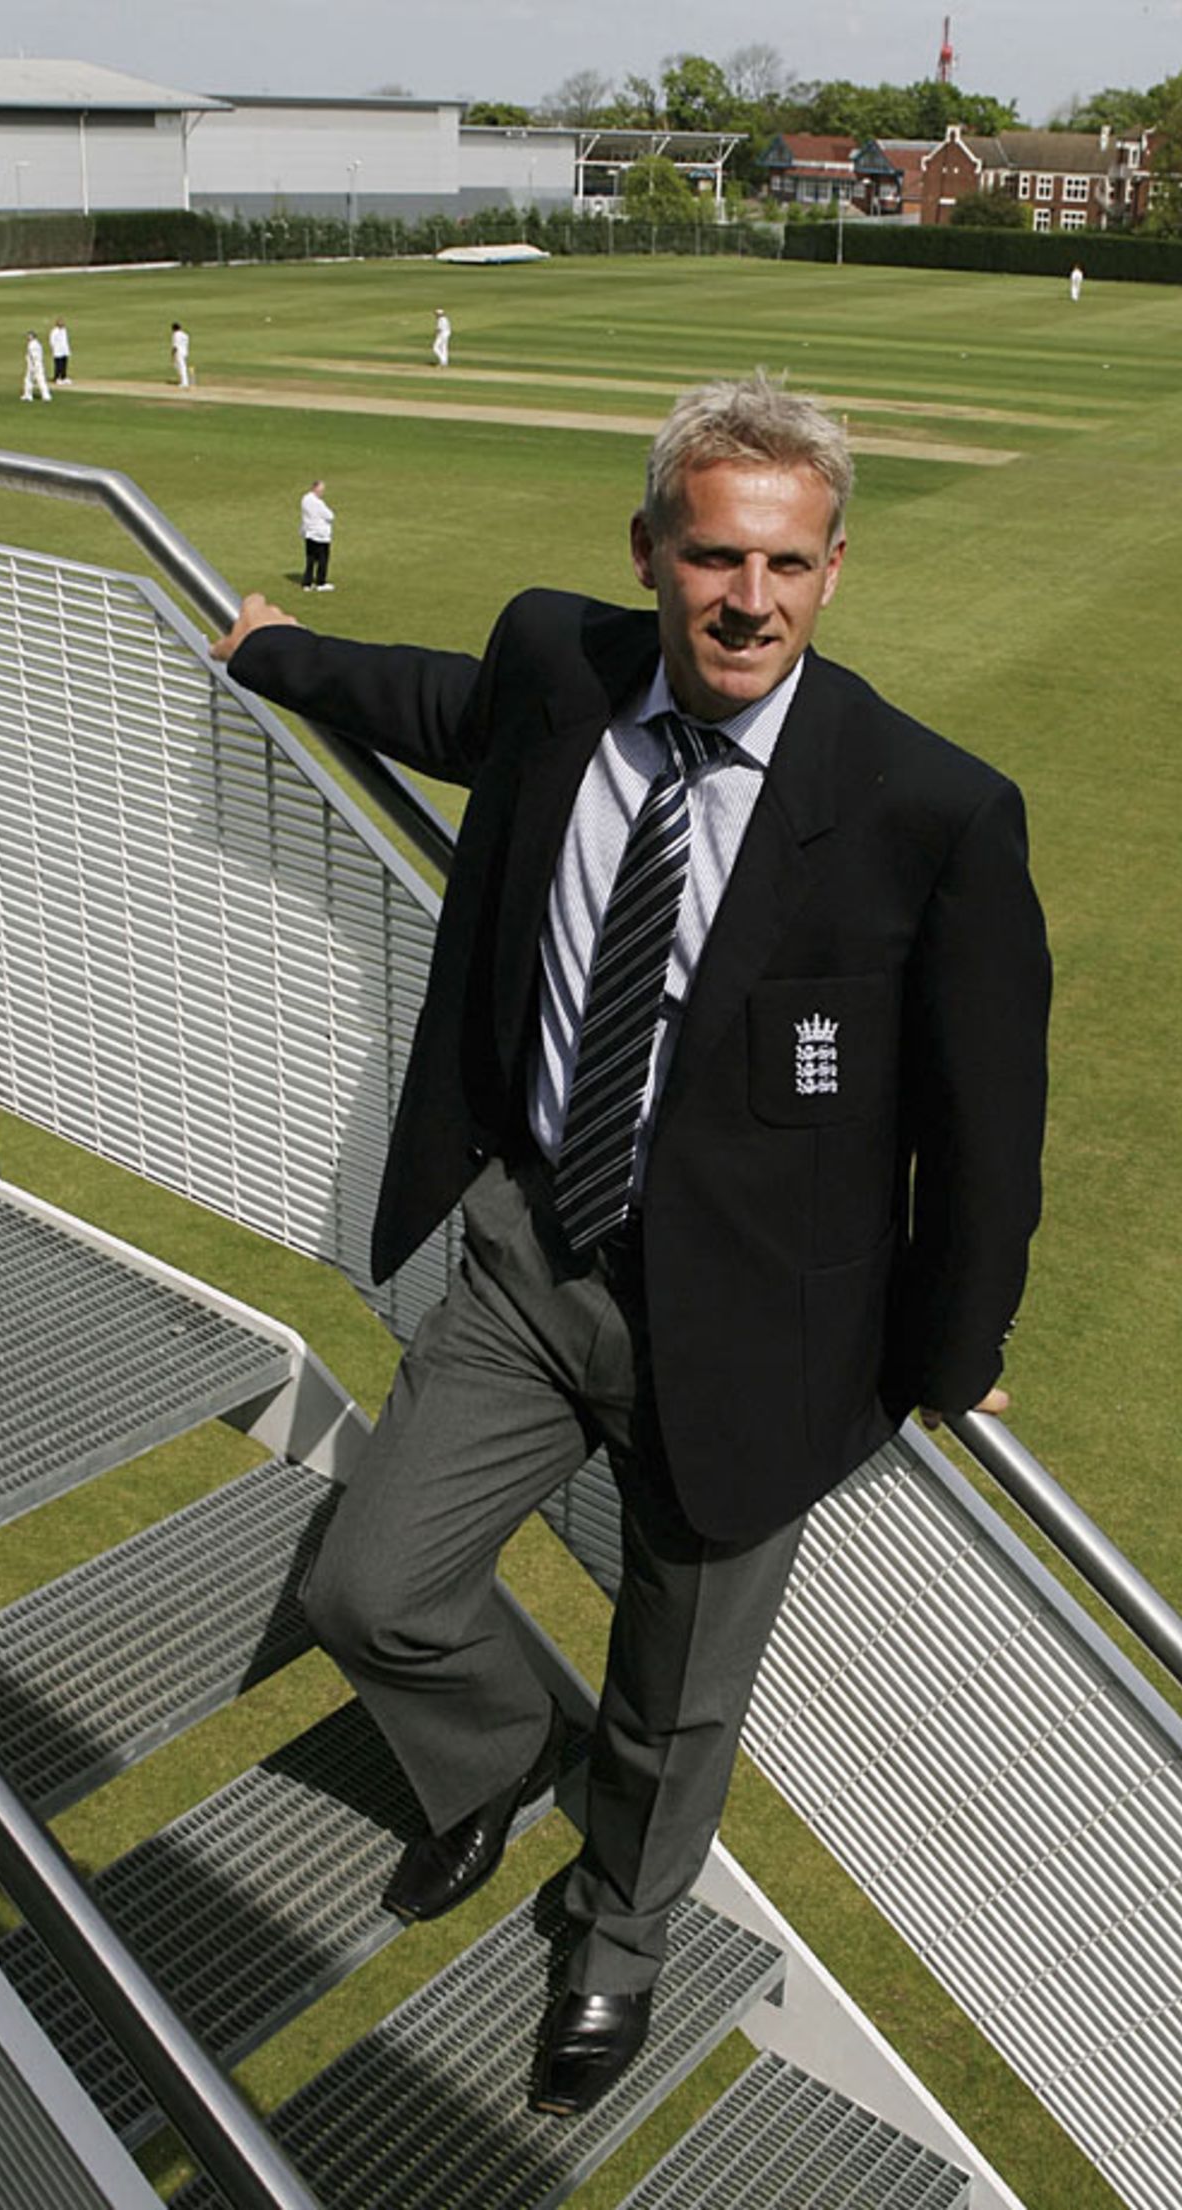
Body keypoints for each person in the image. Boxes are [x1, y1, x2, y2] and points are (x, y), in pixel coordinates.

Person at [211, 375, 1050, 2119]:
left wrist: (954, 1351)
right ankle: (501, 1764)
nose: (751, 598)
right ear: (650, 552)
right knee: (372, 1587)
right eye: (714, 556)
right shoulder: (557, 667)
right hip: (534, 1260)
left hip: (752, 1338)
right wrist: (277, 654)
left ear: (834, 568)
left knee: (677, 1701)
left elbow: (986, 1123)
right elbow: (435, 703)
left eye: (790, 563)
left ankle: (615, 1943)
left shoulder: (930, 811)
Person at [300, 479, 335, 592]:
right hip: (320, 535)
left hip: (309, 533)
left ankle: (307, 583)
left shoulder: (305, 499)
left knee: (310, 559)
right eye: (320, 490)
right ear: (315, 489)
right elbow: (330, 516)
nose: (322, 493)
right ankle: (320, 583)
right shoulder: (318, 503)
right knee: (323, 559)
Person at [21, 330, 52, 403]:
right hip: (38, 365)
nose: (27, 337)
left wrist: (34, 367)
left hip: (34, 365)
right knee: (33, 380)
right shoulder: (38, 344)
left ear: (32, 336)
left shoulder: (32, 345)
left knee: (36, 380)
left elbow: (34, 357)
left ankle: (31, 396)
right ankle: (29, 395)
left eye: (29, 335)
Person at [48, 316, 71, 384]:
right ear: (57, 323)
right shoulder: (54, 331)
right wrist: (54, 349)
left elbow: (65, 340)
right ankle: (56, 378)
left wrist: (67, 349)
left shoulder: (64, 330)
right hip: (57, 351)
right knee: (58, 365)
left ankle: (64, 377)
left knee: (64, 364)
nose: (62, 323)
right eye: (60, 322)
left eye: (62, 322)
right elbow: (51, 341)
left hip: (64, 350)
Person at [171, 322, 191, 389]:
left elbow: (175, 346)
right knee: (180, 367)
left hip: (179, 352)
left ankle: (184, 383)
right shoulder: (185, 335)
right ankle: (183, 381)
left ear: (174, 328)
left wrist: (172, 353)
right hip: (185, 352)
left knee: (181, 367)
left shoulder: (176, 334)